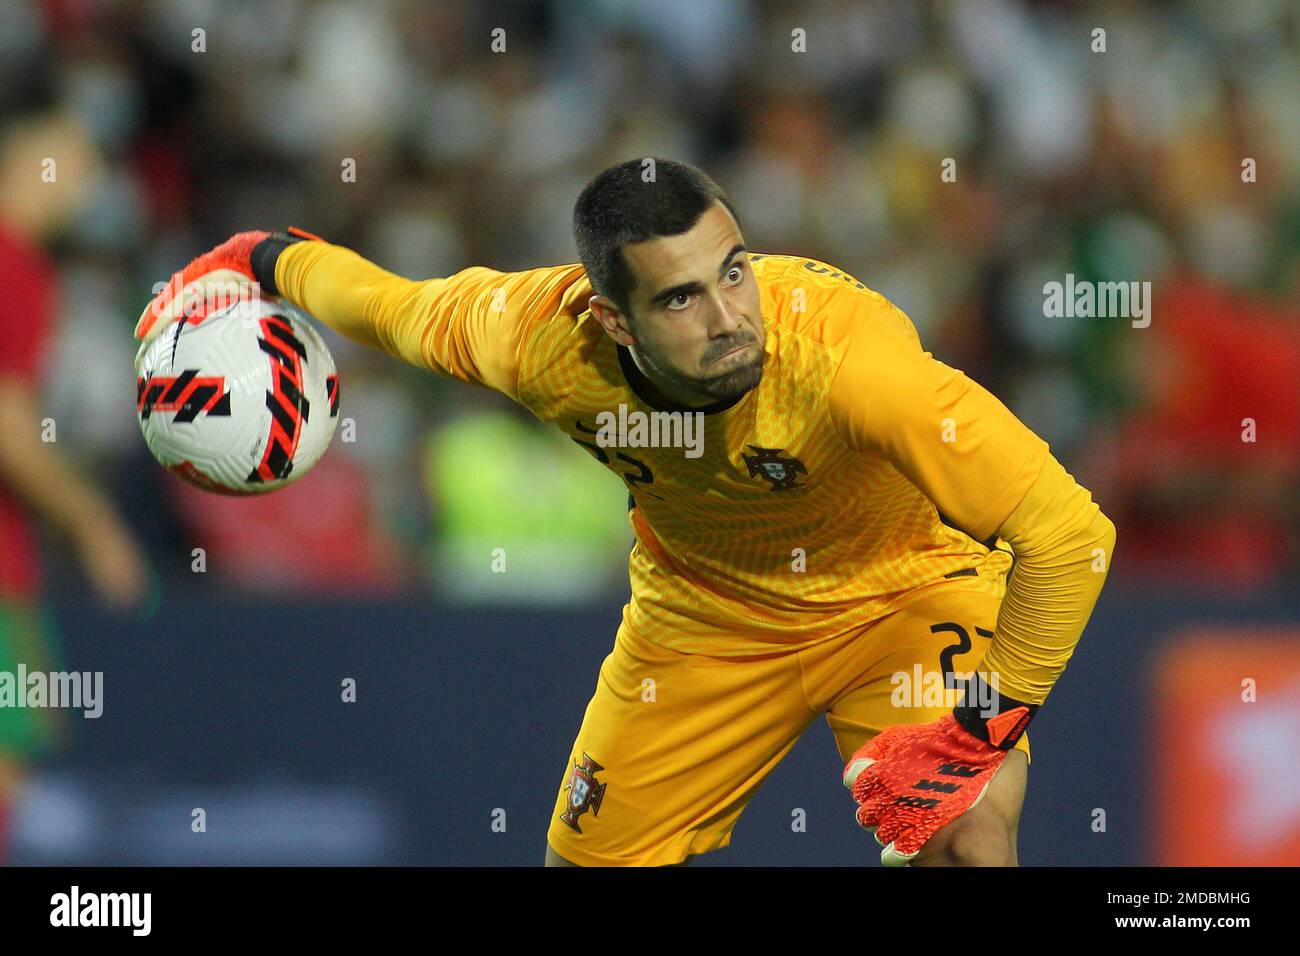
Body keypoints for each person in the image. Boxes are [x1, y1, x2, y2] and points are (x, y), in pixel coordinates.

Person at [134, 158, 1115, 867]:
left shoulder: (856, 368)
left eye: (735, 270)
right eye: (682, 297)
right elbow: (382, 303)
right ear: (612, 320)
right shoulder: (535, 337)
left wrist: (980, 723)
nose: (731, 315)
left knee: (965, 841)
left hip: (904, 583)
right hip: (707, 611)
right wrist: (253, 255)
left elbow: (1070, 536)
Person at [0, 102, 149, 864]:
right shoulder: (14, 266)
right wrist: (94, 523)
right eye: (81, 166)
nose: (87, 188)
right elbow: (10, 432)